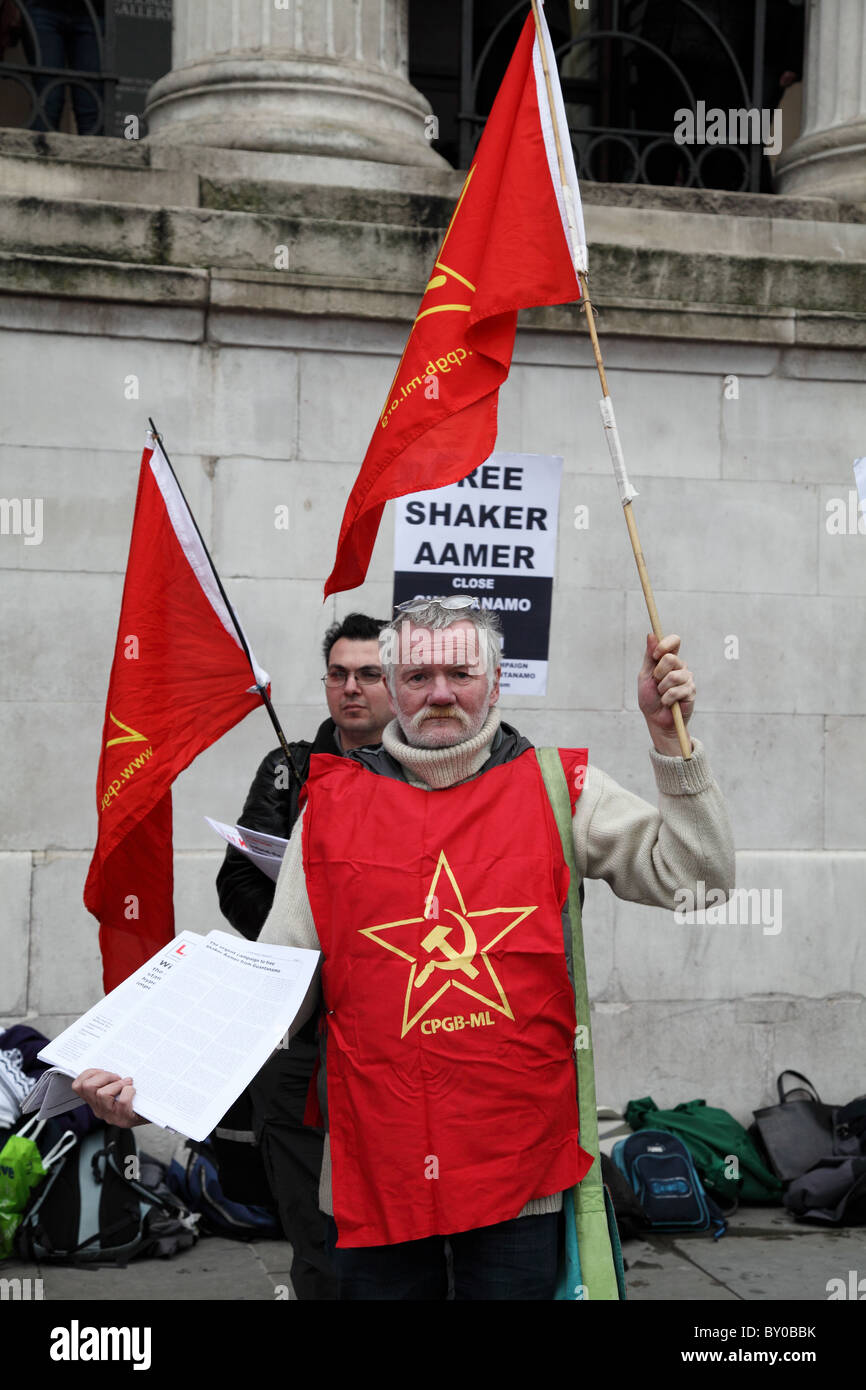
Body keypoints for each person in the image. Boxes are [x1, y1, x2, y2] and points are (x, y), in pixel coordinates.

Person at [73, 597, 735, 1301]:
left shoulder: (560, 788)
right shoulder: (328, 805)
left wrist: (671, 742)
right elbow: (273, 989)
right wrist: (157, 1082)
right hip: (375, 1179)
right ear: (393, 685)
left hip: (521, 1178)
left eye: (460, 672)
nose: (440, 692)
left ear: (497, 679)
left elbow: (700, 878)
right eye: (418, 676)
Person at [213, 611, 391, 1301]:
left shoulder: (427, 775)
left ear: (396, 681)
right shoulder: (288, 769)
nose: (352, 689)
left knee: (393, 1234)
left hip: (387, 1040)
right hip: (300, 1039)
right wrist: (309, 940)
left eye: (369, 674)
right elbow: (235, 880)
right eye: (339, 674)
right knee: (314, 1238)